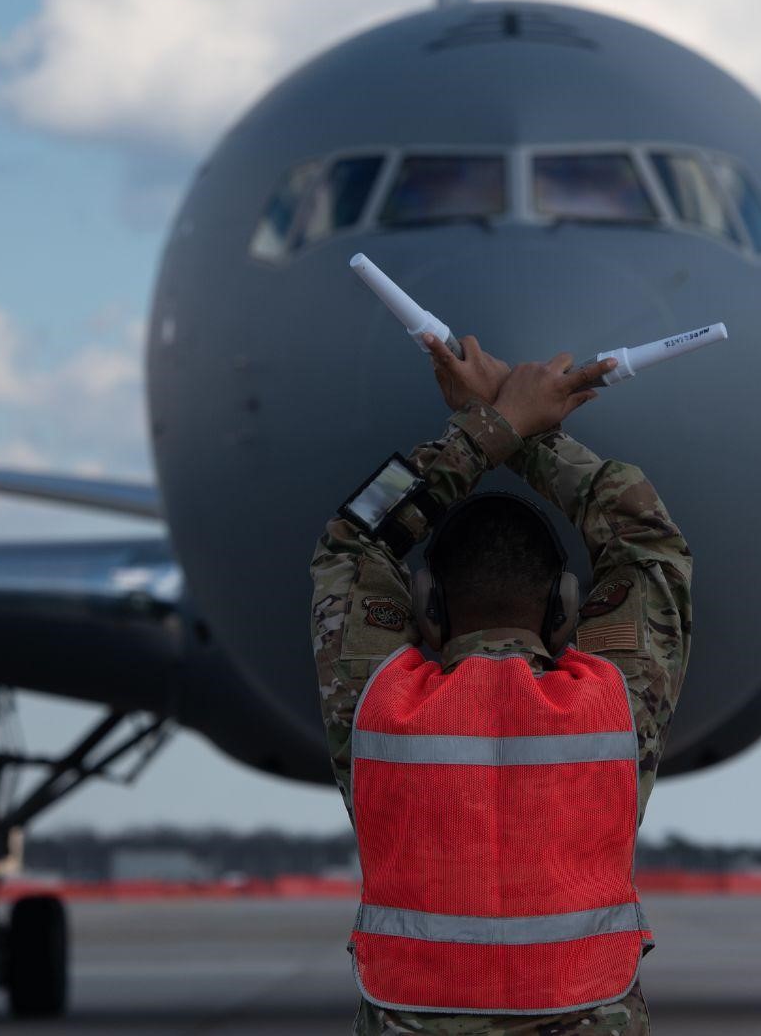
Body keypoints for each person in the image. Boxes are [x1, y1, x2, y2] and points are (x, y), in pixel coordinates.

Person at [310, 333, 694, 1035]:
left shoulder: (375, 707)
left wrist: (497, 425)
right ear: (564, 609)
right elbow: (648, 540)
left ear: (427, 607)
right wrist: (520, 431)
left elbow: (354, 537)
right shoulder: (614, 705)